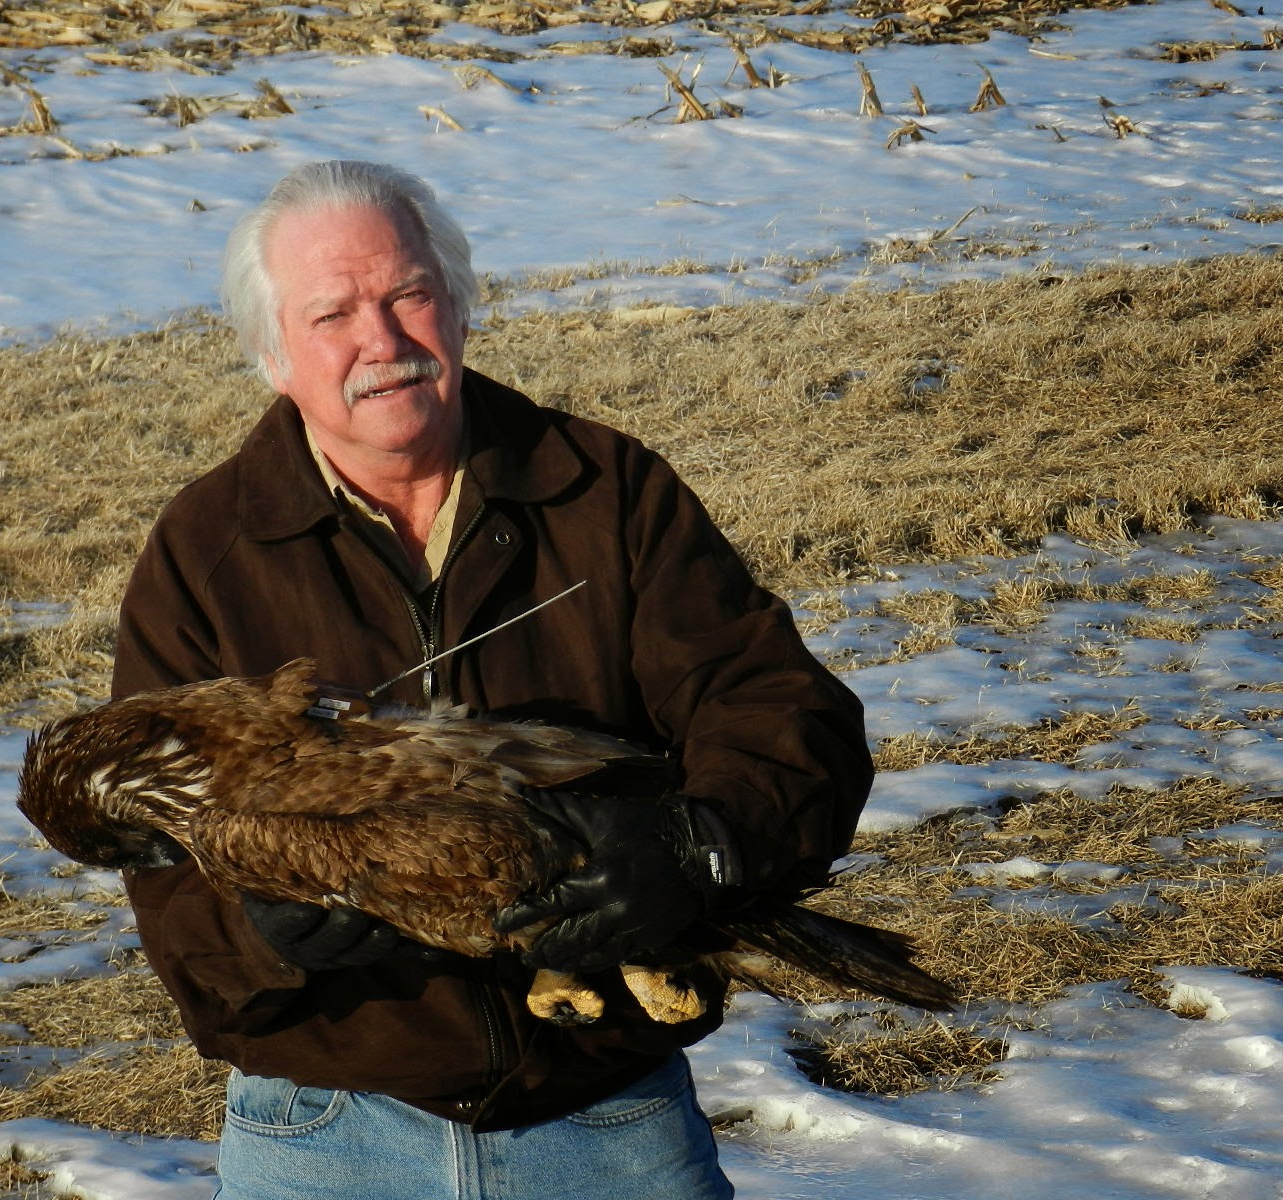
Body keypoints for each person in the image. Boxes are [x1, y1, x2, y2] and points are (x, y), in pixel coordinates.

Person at [111, 159, 873, 1199]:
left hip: (606, 1116)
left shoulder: (606, 493)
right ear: (273, 356)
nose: (382, 340)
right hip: (323, 1132)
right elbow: (153, 853)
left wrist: (701, 845)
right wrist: (258, 935)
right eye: (333, 314)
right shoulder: (205, 556)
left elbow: (779, 709)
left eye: (409, 294)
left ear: (460, 307)